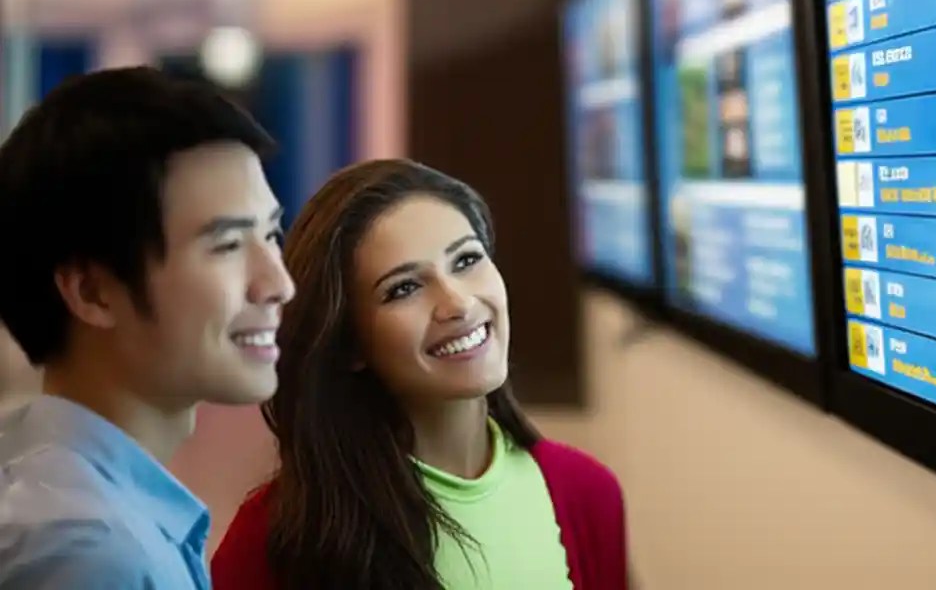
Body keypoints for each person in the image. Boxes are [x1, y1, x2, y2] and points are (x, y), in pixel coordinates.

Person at [211, 159, 629, 590]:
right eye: (404, 288)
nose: (458, 304)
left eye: (466, 259)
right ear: (350, 344)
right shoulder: (273, 544)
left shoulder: (586, 493)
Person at [0, 67, 296, 589]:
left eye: (271, 234)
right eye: (227, 245)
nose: (277, 283)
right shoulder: (90, 553)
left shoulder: (68, 497)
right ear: (93, 292)